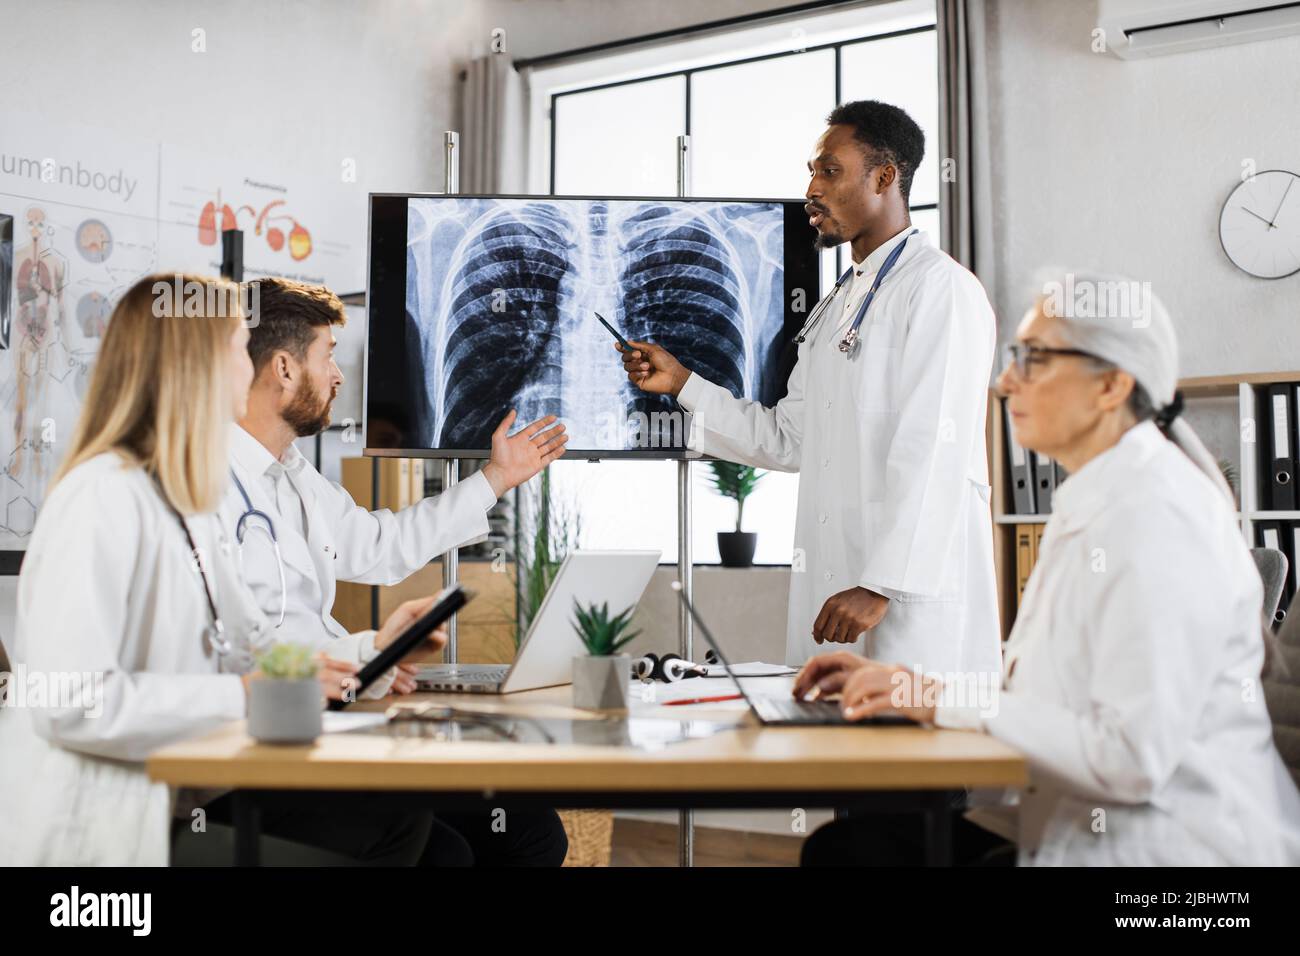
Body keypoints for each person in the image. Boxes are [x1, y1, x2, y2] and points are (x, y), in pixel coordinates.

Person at [796, 275, 1300, 866]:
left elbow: (1129, 759)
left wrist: (933, 699)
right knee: (849, 848)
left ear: (1112, 385)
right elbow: (1050, 702)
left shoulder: (1158, 519)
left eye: (1034, 359)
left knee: (854, 855)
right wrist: (907, 686)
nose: (1006, 382)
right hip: (1082, 828)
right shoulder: (1095, 499)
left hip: (1178, 867)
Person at [0, 274, 446, 865]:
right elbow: (70, 702)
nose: (254, 364)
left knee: (404, 820)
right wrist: (240, 695)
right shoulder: (100, 496)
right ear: (198, 363)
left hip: (181, 795)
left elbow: (254, 650)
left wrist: (376, 651)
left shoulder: (187, 501)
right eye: (240, 345)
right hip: (97, 832)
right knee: (392, 825)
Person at [620, 100, 1000, 678]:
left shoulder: (940, 289)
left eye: (829, 171)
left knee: (916, 761)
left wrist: (880, 585)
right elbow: (788, 438)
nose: (811, 189)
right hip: (836, 596)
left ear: (884, 176)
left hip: (904, 605)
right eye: (812, 172)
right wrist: (684, 384)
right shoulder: (836, 306)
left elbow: (936, 450)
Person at [221, 277, 568, 866]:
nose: (337, 376)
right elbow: (250, 651)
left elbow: (382, 545)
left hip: (343, 707)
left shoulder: (296, 475)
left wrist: (496, 479)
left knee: (532, 829)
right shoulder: (206, 484)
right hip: (275, 739)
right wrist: (371, 653)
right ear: (283, 367)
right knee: (446, 853)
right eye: (327, 356)